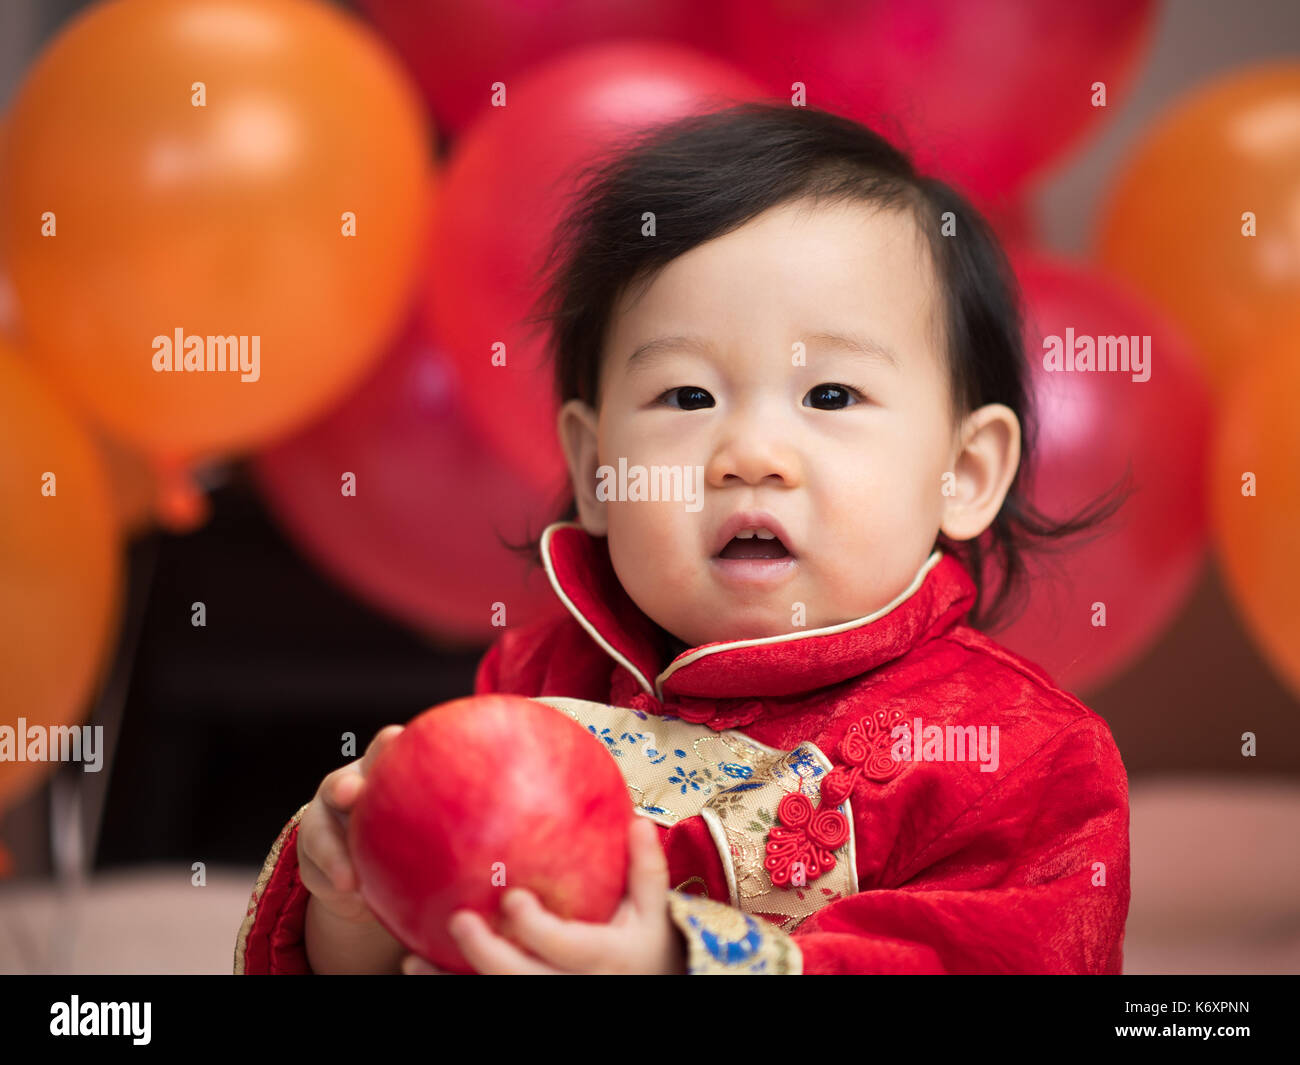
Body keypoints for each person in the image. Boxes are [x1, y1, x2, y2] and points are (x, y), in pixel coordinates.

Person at [235, 102, 1131, 975]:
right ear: (596, 469)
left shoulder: (1025, 756)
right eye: (687, 397)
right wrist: (357, 902)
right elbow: (426, 940)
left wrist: (680, 961)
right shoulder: (531, 692)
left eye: (829, 396)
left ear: (964, 473)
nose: (750, 456)